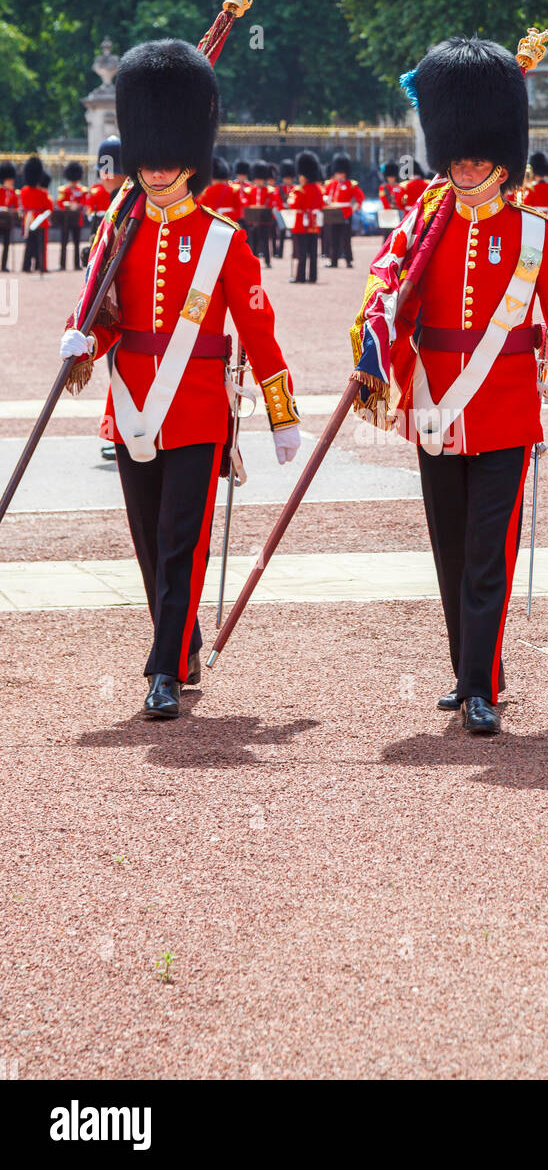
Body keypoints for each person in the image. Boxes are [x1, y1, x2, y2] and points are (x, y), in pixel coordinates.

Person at [351, 35, 548, 736]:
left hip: (508, 410)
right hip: (434, 409)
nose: (465, 162)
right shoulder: (422, 223)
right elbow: (383, 280)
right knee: (450, 547)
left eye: (476, 151)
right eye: (455, 151)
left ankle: (482, 685)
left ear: (502, 155)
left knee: (488, 551)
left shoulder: (535, 234)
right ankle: (467, 669)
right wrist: (375, 323)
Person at [59, 38, 301, 720]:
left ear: (189, 160)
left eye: (170, 159)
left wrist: (281, 414)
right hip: (131, 404)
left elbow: (257, 329)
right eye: (149, 158)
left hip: (196, 410)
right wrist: (83, 340)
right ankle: (183, 640)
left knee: (179, 540)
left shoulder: (222, 237)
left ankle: (163, 670)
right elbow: (107, 319)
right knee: (148, 545)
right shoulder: (119, 228)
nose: (158, 170)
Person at [287, 150, 324, 283]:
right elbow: (320, 205)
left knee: (301, 252)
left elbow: (293, 205)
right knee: (313, 252)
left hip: (301, 225)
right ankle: (313, 276)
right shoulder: (319, 190)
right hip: (313, 224)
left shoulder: (299, 190)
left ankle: (300, 276)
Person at [323, 153, 364, 268]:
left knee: (346, 238)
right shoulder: (331, 184)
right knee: (333, 238)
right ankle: (333, 260)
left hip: (346, 213)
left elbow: (360, 198)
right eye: (337, 172)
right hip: (333, 213)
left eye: (340, 172)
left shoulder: (351, 185)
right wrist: (325, 198)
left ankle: (348, 260)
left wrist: (354, 209)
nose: (338, 175)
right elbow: (324, 195)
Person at [20, 156, 53, 273]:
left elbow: (23, 205)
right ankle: (41, 266)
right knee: (41, 246)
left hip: (28, 220)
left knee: (29, 245)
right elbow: (49, 207)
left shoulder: (24, 191)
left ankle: (26, 266)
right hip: (41, 221)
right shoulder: (42, 193)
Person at [56, 162, 87, 271]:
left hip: (77, 219)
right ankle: (62, 264)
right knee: (63, 242)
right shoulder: (64, 190)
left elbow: (84, 203)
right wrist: (67, 205)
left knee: (77, 243)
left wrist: (77, 206)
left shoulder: (81, 190)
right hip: (66, 219)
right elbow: (59, 203)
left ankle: (76, 264)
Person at [197, 155, 242, 222]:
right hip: (230, 225)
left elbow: (201, 212)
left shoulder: (205, 192)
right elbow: (240, 211)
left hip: (212, 225)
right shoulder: (234, 190)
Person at [245, 161, 271, 266]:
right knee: (254, 242)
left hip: (264, 219)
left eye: (260, 179)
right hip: (253, 219)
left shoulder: (268, 191)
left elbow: (271, 203)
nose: (259, 181)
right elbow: (247, 203)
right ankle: (254, 261)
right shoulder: (250, 190)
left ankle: (267, 261)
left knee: (265, 241)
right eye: (257, 179)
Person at [0, 161, 19, 272]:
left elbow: (15, 206)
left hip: (7, 221)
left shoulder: (13, 192)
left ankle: (4, 265)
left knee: (6, 245)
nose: (11, 181)